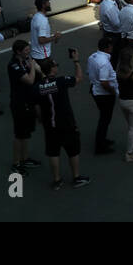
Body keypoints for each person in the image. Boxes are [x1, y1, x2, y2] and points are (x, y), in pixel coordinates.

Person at [34, 49, 90, 189]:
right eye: (56, 65)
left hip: (50, 124)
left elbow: (37, 106)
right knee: (73, 150)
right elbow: (79, 78)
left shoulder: (38, 87)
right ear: (52, 68)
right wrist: (76, 61)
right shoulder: (61, 81)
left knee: (53, 152)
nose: (57, 66)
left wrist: (41, 119)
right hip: (66, 122)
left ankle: (57, 180)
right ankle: (76, 177)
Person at [7, 40, 42, 175]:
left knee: (26, 133)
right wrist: (33, 67)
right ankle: (16, 163)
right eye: (26, 50)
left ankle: (25, 158)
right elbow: (29, 80)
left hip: (28, 101)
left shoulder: (25, 60)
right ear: (18, 52)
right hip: (19, 104)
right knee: (19, 134)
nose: (29, 52)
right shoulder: (13, 65)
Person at [86, 36, 118, 155]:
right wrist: (113, 91)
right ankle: (100, 145)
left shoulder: (92, 57)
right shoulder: (104, 63)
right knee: (105, 119)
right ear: (107, 48)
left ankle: (102, 140)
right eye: (110, 45)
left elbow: (89, 72)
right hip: (103, 94)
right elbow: (104, 82)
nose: (112, 47)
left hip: (95, 90)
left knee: (104, 118)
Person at [30, 0, 59, 66]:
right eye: (48, 2)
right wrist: (55, 37)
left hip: (36, 55)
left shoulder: (36, 16)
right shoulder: (42, 20)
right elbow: (41, 40)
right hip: (43, 57)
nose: (49, 3)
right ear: (43, 5)